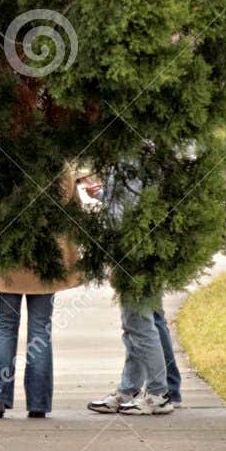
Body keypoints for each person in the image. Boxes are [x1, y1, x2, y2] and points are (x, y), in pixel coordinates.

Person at [83, 164, 178, 415]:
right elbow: (124, 202)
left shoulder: (140, 155)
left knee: (140, 323)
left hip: (137, 249)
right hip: (127, 246)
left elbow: (136, 210)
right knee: (133, 324)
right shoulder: (126, 153)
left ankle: (159, 393)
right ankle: (129, 389)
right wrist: (104, 195)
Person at [0, 185, 84, 419]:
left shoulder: (0, 163)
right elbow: (72, 206)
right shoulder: (57, 165)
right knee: (40, 330)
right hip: (45, 257)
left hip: (7, 253)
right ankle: (38, 402)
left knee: (5, 327)